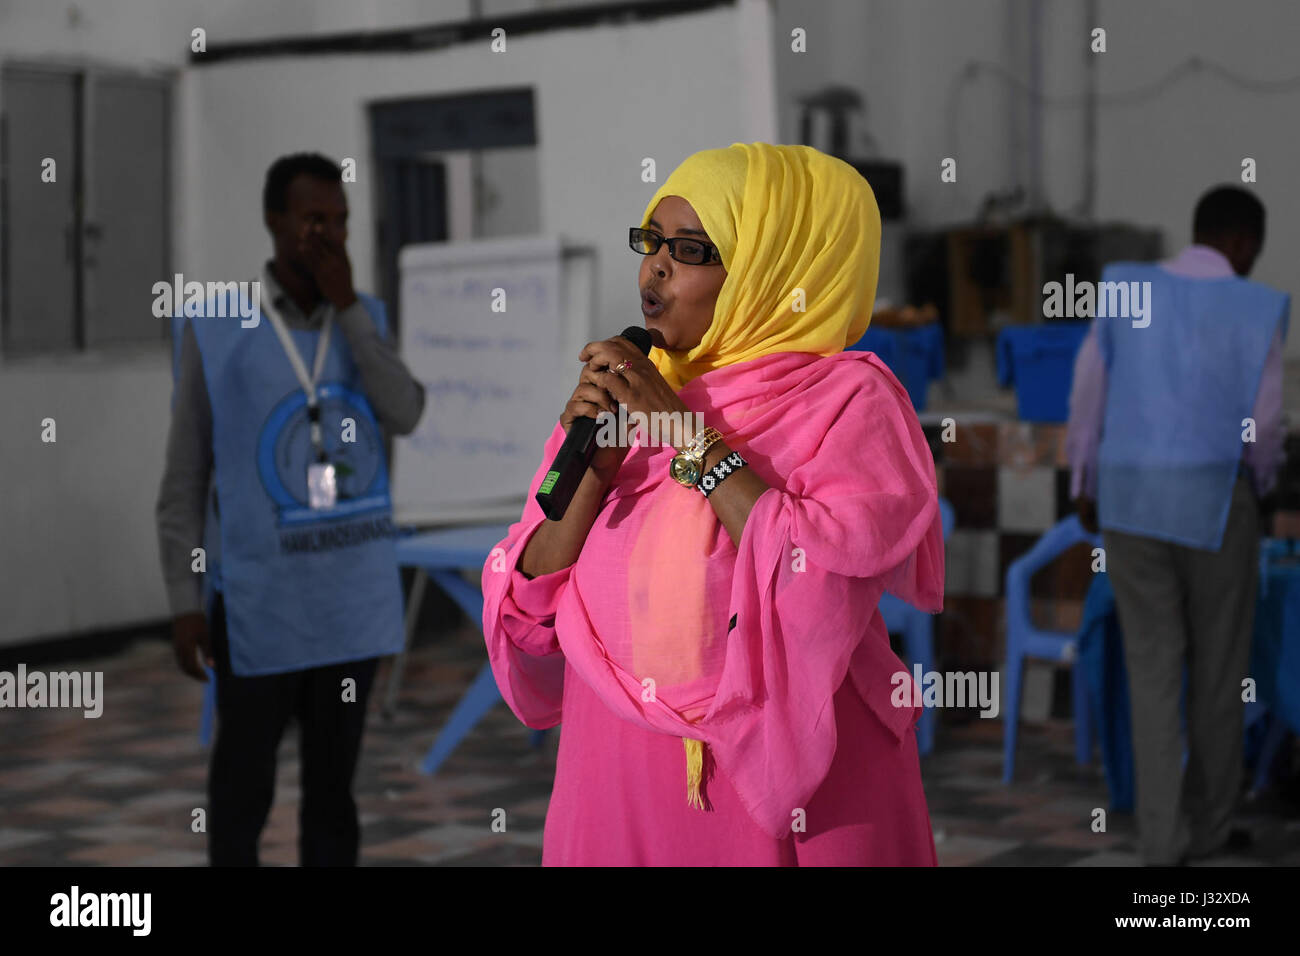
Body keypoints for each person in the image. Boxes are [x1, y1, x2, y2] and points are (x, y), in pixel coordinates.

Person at [481, 142, 944, 865]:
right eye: (652, 243)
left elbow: (817, 578)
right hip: (621, 772)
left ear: (774, 269)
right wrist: (594, 470)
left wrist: (686, 437)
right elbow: (529, 606)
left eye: (692, 250)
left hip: (795, 787)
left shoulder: (849, 403)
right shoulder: (623, 395)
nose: (656, 268)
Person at [155, 153, 426, 866]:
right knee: (242, 789)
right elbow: (184, 477)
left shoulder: (362, 319)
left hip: (347, 605)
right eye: (313, 219)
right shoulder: (218, 328)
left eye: (339, 221)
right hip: (257, 604)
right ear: (274, 223)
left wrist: (348, 310)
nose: (328, 235)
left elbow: (405, 412)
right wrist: (184, 600)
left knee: (334, 795)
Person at [1067, 185, 1290, 865]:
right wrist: (1264, 478)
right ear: (1244, 241)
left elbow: (1088, 392)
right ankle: (1215, 823)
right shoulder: (1258, 307)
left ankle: (1161, 840)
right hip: (1216, 500)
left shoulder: (1123, 288)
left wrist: (1084, 479)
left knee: (1153, 670)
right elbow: (1267, 420)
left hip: (1130, 501)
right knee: (1220, 673)